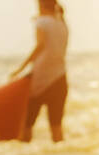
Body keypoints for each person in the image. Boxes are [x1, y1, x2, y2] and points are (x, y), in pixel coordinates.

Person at [11, 0, 69, 142]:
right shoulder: (62, 24)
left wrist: (20, 69)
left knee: (26, 125)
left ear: (41, 5)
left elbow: (40, 46)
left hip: (41, 79)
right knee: (56, 127)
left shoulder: (41, 22)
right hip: (60, 77)